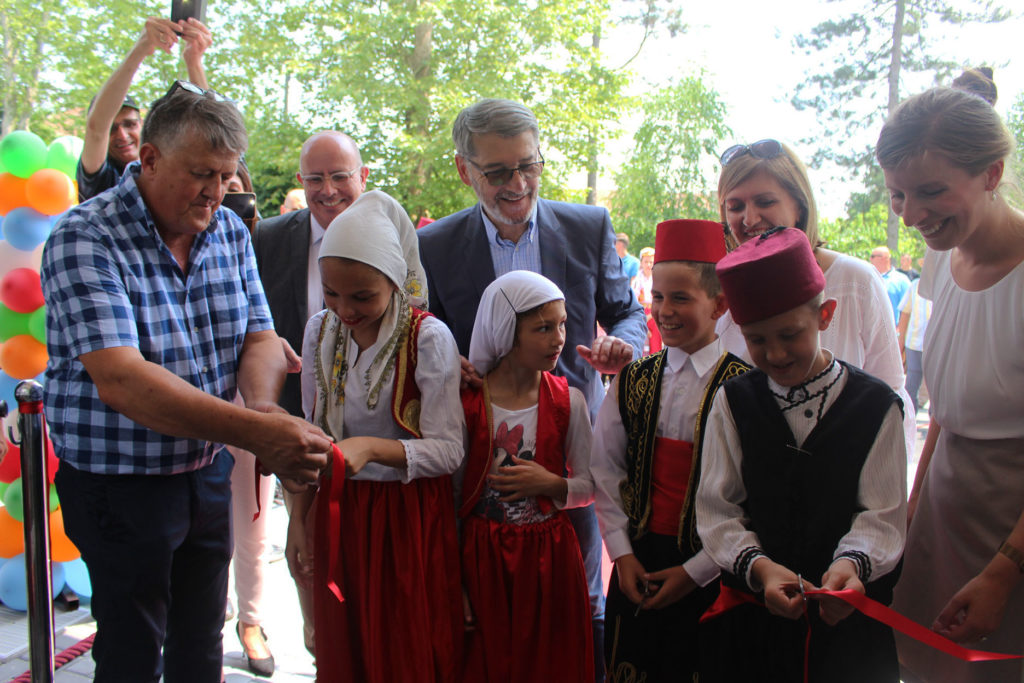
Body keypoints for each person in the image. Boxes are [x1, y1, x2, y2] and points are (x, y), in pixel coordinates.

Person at [41, 82, 331, 682]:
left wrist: (262, 409)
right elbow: (123, 381)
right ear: (147, 159)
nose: (216, 191)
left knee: (201, 644)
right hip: (117, 484)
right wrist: (257, 429)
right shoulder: (84, 235)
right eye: (202, 173)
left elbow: (258, 336)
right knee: (131, 651)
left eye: (226, 176)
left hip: (204, 472)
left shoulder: (227, 230)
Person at [417, 98, 647, 679]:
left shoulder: (588, 225)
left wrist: (624, 345)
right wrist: (452, 366)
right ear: (464, 169)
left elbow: (626, 313)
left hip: (573, 448)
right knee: (492, 616)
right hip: (480, 464)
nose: (518, 183)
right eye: (498, 172)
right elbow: (427, 335)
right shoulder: (436, 246)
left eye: (529, 165)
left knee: (584, 601)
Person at [697, 227, 907, 682]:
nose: (774, 353)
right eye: (756, 340)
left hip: (848, 636)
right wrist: (762, 569)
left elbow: (883, 514)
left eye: (789, 334)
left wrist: (852, 565)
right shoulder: (731, 402)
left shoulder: (875, 406)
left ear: (825, 315)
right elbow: (716, 510)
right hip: (754, 631)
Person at [877, 85, 1024, 683]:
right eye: (899, 194)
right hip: (945, 498)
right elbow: (943, 405)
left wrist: (1002, 571)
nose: (911, 215)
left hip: (1008, 520)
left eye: (932, 191)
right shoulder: (943, 255)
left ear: (991, 173)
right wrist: (914, 505)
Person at [287, 191, 462, 682]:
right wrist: (298, 521)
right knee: (345, 649)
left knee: (401, 650)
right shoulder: (320, 332)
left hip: (405, 521)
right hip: (339, 513)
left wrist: (371, 449)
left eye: (362, 295)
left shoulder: (427, 338)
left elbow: (450, 449)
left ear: (394, 283)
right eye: (332, 292)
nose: (345, 308)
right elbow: (311, 432)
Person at [592, 219, 749, 681]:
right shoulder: (634, 379)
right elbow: (606, 470)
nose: (664, 310)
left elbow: (751, 494)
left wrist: (696, 571)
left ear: (720, 303)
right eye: (658, 297)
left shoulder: (745, 390)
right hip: (636, 563)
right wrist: (621, 555)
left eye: (681, 298)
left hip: (712, 570)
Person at [715, 138, 917, 456]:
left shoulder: (856, 281)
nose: (749, 219)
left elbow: (891, 392)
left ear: (800, 205)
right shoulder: (720, 295)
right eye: (736, 206)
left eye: (765, 202)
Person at [252, 130, 371, 656]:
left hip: (373, 424)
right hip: (293, 415)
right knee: (303, 545)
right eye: (316, 178)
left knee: (362, 547)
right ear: (301, 182)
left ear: (362, 178)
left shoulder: (395, 235)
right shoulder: (268, 238)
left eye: (340, 175)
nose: (328, 190)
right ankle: (318, 646)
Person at [460, 270, 595, 682]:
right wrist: (457, 584)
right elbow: (449, 497)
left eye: (562, 325)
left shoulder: (568, 402)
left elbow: (593, 485)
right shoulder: (467, 404)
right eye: (542, 328)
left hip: (549, 561)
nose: (559, 338)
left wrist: (552, 486)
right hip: (482, 560)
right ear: (506, 331)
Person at [78, 16, 211, 202]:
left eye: (129, 124)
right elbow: (97, 127)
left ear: (142, 125)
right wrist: (142, 48)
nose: (122, 135)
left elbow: (211, 135)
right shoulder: (100, 175)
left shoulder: (166, 168)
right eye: (113, 128)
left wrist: (194, 61)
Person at [896, 277, 931, 415]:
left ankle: (934, 428)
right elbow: (905, 312)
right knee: (911, 387)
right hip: (914, 343)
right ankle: (909, 423)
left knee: (937, 390)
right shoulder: (916, 284)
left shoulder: (948, 282)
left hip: (935, 345)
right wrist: (901, 343)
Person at [870, 246, 912, 323]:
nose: (870, 259)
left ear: (883, 258)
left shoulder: (902, 280)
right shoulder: (869, 278)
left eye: (873, 256)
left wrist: (900, 330)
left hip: (893, 331)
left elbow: (908, 309)